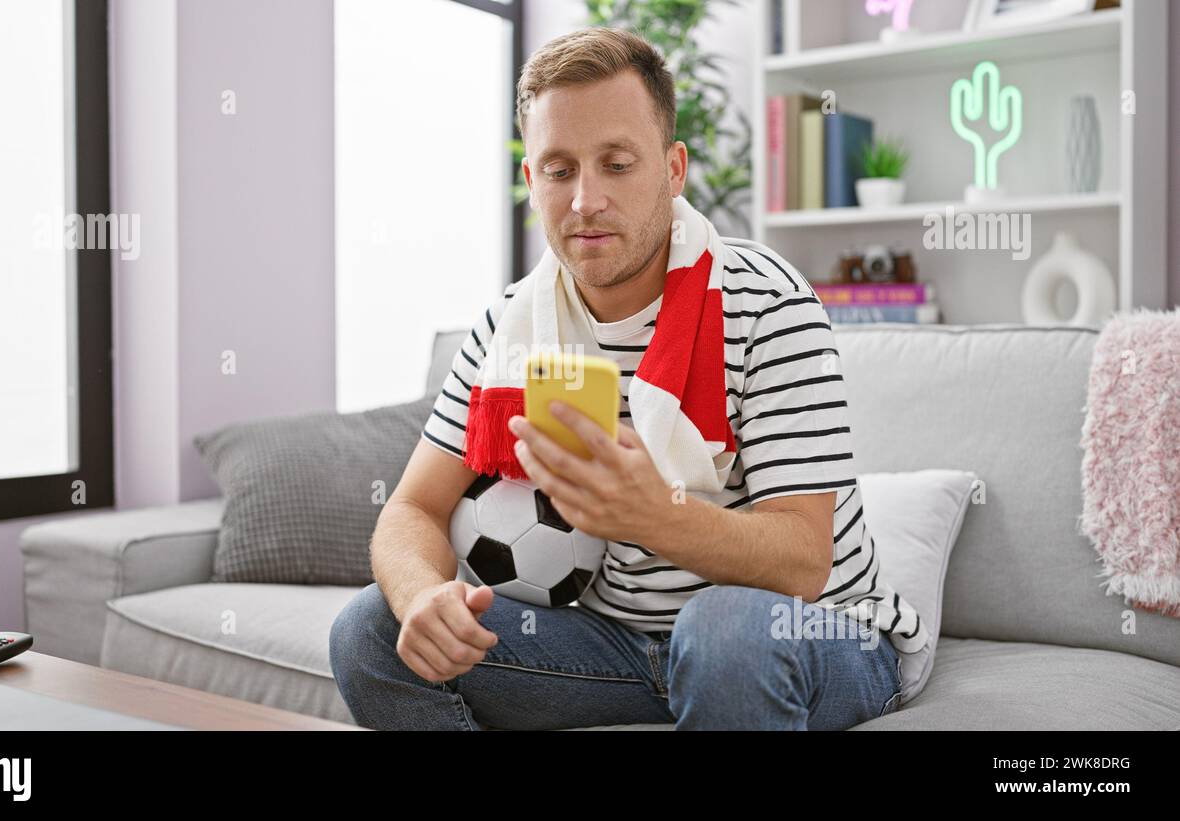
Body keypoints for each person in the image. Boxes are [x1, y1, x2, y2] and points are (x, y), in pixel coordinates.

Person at [330, 26, 923, 730]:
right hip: (619, 648)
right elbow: (414, 509)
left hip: (811, 632)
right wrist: (425, 596)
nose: (585, 200)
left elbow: (803, 561)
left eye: (616, 164)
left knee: (723, 629)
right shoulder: (509, 324)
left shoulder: (768, 303)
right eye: (559, 170)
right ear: (532, 182)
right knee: (371, 629)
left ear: (673, 170)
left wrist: (652, 514)